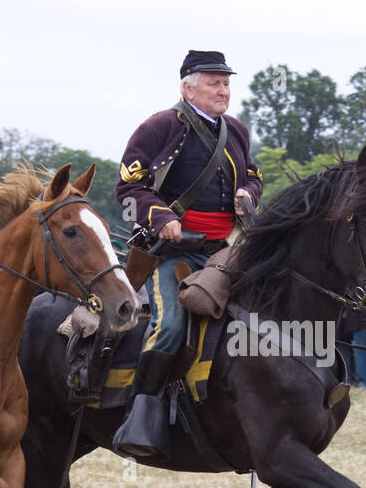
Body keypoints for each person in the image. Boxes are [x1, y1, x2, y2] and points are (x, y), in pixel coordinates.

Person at [111, 50, 263, 457]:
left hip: (227, 250)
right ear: (187, 87)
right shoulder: (159, 126)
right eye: (214, 82)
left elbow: (252, 175)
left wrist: (248, 194)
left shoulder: (237, 130)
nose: (223, 90)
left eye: (226, 83)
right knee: (172, 324)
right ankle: (142, 415)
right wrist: (160, 216)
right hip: (171, 253)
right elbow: (128, 189)